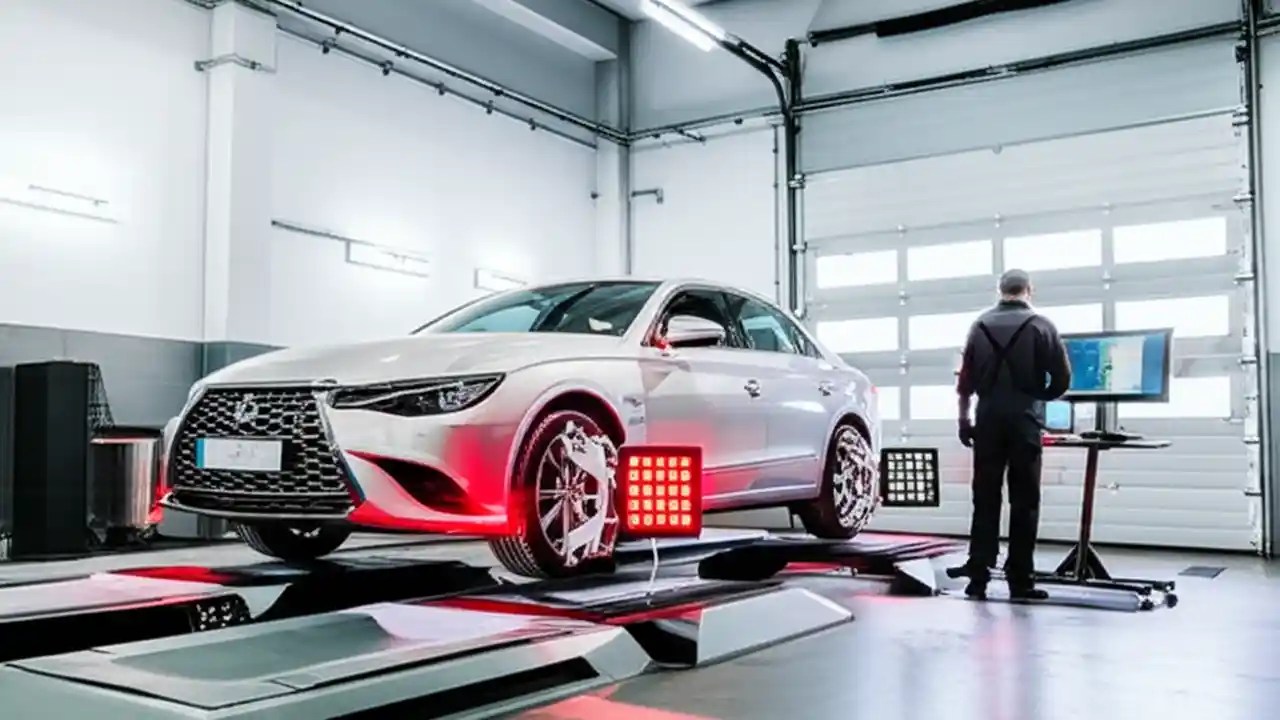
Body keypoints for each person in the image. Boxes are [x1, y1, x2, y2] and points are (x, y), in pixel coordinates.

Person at [955, 268, 1071, 600]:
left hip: (987, 420)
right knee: (1025, 501)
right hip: (1024, 423)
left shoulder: (978, 326)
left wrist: (964, 421)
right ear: (1029, 290)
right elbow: (1062, 380)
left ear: (999, 290)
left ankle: (978, 577)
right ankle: (1021, 581)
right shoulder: (1042, 326)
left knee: (985, 498)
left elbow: (964, 382)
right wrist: (1036, 397)